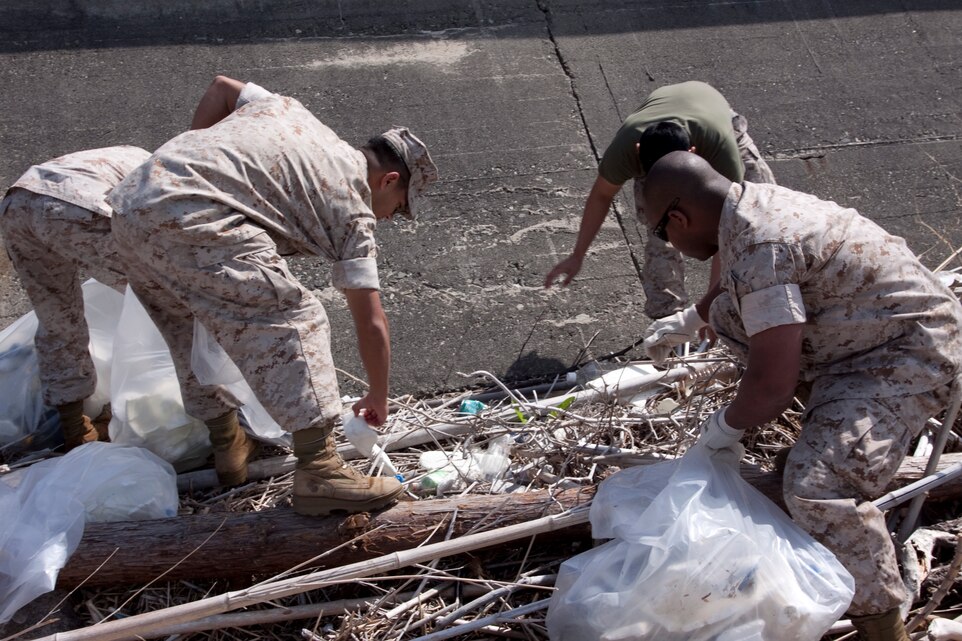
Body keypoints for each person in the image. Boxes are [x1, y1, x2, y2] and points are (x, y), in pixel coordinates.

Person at [640, 151, 962, 641]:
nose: (672, 244)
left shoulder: (761, 244)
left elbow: (772, 384)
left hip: (909, 351)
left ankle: (883, 626)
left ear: (679, 218)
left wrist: (723, 431)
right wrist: (690, 318)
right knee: (727, 311)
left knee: (817, 487)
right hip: (865, 335)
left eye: (664, 233)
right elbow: (733, 296)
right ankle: (833, 432)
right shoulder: (748, 206)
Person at [107, 76, 439, 516]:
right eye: (398, 206)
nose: (391, 217)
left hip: (132, 203)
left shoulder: (292, 113)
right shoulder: (354, 210)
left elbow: (222, 88)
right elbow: (371, 320)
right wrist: (378, 395)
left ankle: (226, 446)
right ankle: (320, 470)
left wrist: (189, 157)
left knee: (189, 331)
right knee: (296, 316)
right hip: (195, 215)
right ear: (389, 180)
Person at [543, 80, 775, 320]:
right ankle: (667, 315)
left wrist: (711, 309)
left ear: (692, 153)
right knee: (661, 233)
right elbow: (601, 196)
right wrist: (577, 254)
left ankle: (759, 294)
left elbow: (728, 229)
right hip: (667, 130)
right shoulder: (624, 150)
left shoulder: (720, 149)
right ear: (638, 149)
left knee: (762, 215)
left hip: (719, 122)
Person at [0, 145, 152, 449]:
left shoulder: (134, 156)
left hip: (17, 205)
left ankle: (76, 430)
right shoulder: (165, 172)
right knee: (164, 302)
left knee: (57, 318)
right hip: (76, 205)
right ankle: (221, 431)